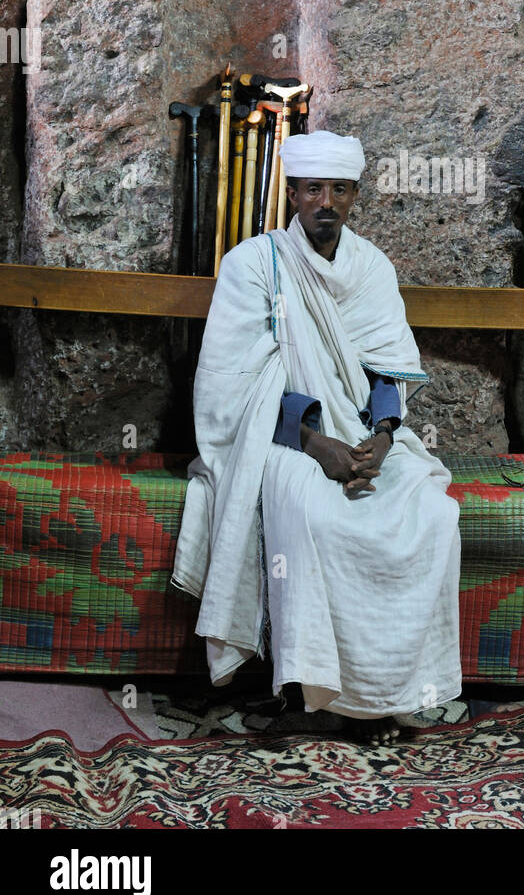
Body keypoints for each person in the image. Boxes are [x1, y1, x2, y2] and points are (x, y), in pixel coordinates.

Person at [172, 129, 462, 746]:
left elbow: (388, 370)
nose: (325, 201)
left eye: (339, 189)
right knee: (308, 510)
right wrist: (315, 444)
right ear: (293, 193)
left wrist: (381, 441)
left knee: (430, 509)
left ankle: (390, 693)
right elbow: (234, 386)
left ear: (355, 195)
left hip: (361, 434)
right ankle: (313, 696)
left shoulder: (371, 267)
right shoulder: (253, 265)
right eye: (312, 189)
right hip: (280, 437)